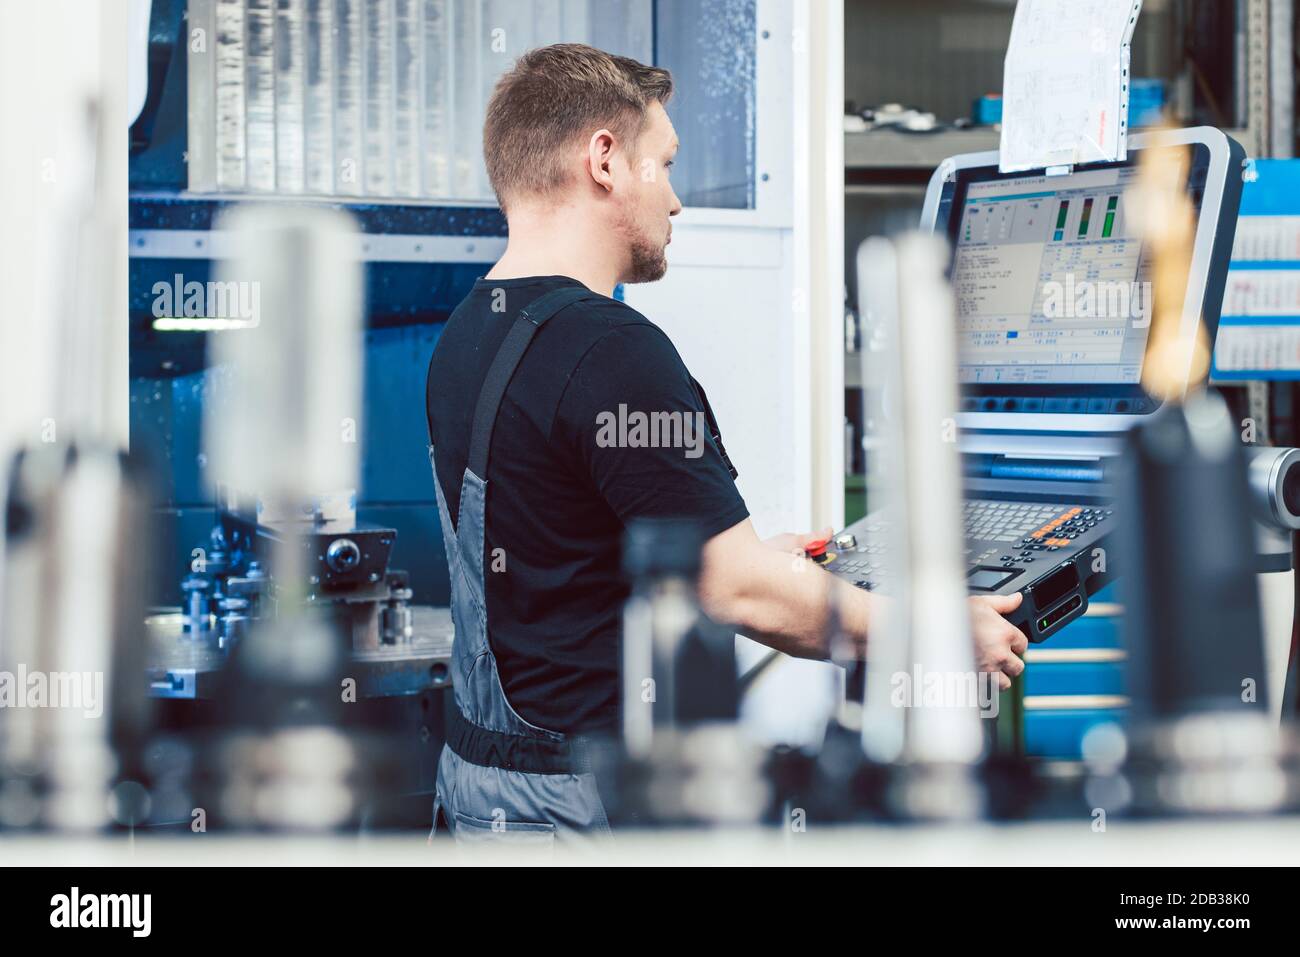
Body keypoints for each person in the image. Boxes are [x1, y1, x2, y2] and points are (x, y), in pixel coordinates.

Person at [424, 43, 1026, 843]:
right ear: (604, 160)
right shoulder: (611, 349)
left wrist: (719, 549)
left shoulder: (465, 333)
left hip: (477, 791)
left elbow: (550, 562)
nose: (675, 201)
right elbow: (740, 592)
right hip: (579, 806)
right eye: (663, 164)